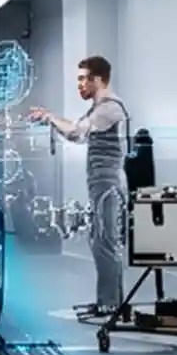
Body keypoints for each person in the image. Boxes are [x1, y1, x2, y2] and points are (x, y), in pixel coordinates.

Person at [29, 55, 131, 314]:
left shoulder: (110, 108)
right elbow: (76, 136)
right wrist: (49, 120)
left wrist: (51, 117)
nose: (80, 85)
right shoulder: (98, 109)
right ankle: (107, 301)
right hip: (100, 183)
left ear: (98, 79)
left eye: (83, 79)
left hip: (108, 183)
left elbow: (77, 131)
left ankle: (110, 304)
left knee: (106, 242)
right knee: (99, 241)